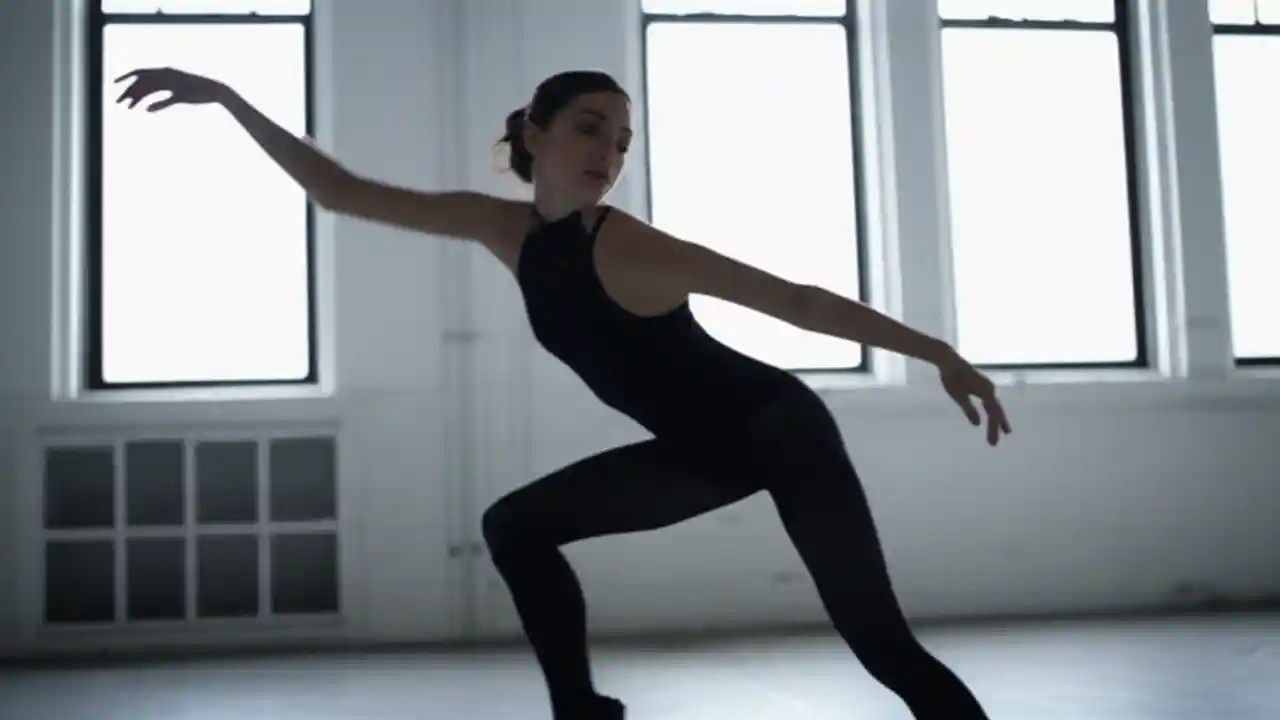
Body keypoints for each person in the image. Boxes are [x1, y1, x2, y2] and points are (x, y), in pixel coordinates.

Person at [115, 66, 1012, 720]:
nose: (609, 152)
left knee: (878, 642)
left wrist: (936, 350)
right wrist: (229, 99)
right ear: (535, 133)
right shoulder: (498, 227)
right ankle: (580, 712)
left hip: (782, 432)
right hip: (701, 452)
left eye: (622, 140)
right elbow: (339, 190)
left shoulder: (633, 244)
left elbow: (796, 300)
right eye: (590, 127)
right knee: (515, 525)